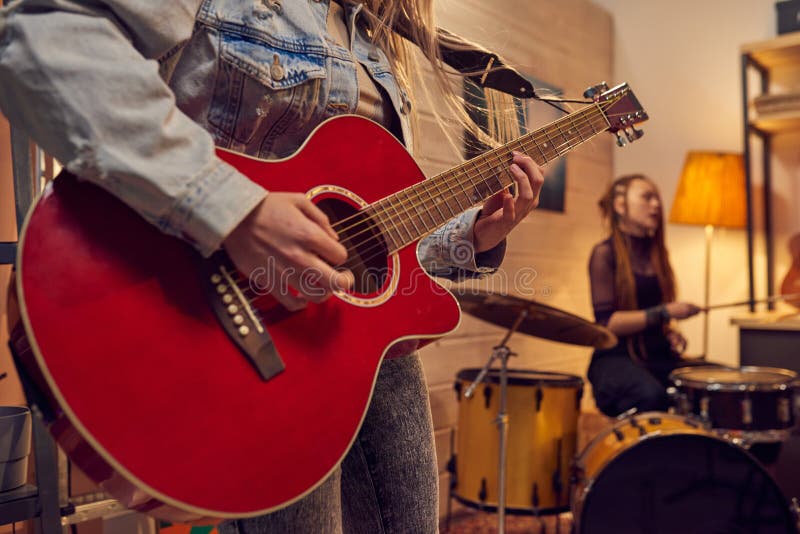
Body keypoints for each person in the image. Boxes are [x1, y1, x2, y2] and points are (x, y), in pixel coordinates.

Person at [0, 0, 545, 532]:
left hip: (369, 355)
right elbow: (43, 39)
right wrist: (235, 211)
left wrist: (474, 235)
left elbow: (366, 241)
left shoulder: (380, 42)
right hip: (241, 344)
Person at [587, 174, 703, 418]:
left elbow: (651, 313)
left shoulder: (658, 254)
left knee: (715, 380)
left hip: (655, 355)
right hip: (614, 358)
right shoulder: (603, 253)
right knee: (651, 395)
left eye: (657, 198)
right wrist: (664, 312)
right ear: (620, 206)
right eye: (647, 198)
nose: (656, 205)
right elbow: (607, 323)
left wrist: (667, 330)